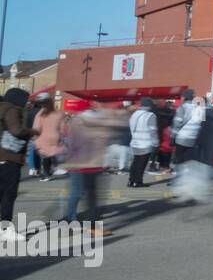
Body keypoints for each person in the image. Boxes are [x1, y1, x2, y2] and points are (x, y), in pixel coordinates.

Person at [62, 101, 119, 236]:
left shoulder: (76, 122)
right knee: (89, 196)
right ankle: (86, 226)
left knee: (79, 194)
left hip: (80, 164)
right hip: (87, 165)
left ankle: (72, 222)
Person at [0, 88, 35, 236]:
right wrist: (32, 131)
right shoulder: (12, 110)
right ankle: (6, 229)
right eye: (26, 99)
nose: (27, 102)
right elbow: (16, 130)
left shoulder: (2, 108)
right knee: (9, 194)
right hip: (10, 158)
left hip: (2, 157)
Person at [127, 98, 159, 188]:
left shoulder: (134, 114)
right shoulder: (150, 115)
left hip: (135, 142)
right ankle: (138, 182)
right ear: (149, 106)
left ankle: (131, 181)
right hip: (145, 143)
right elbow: (153, 131)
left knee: (135, 162)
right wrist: (156, 143)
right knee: (142, 163)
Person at [32, 98, 64, 181]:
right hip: (55, 136)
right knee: (50, 154)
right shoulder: (58, 113)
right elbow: (62, 127)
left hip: (44, 137)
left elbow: (37, 127)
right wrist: (60, 137)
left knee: (45, 156)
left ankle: (46, 175)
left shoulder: (41, 114)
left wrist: (35, 138)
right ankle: (53, 169)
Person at [171, 89, 204, 165]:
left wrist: (173, 137)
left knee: (179, 161)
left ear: (184, 97)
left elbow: (177, 124)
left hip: (181, 139)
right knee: (188, 161)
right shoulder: (200, 109)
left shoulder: (182, 107)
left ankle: (179, 174)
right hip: (193, 139)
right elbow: (201, 125)